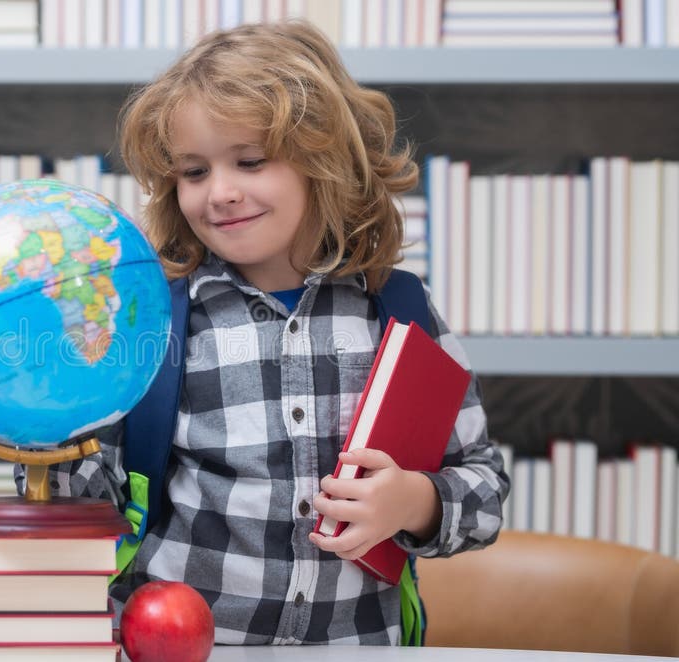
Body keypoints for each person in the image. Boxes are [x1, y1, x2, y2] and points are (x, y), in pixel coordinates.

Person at [34, 19, 508, 646]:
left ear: (326, 161)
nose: (220, 193)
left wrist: (415, 502)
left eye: (250, 161)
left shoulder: (400, 311)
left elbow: (484, 489)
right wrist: (47, 426)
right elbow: (87, 511)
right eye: (194, 171)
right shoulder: (155, 323)